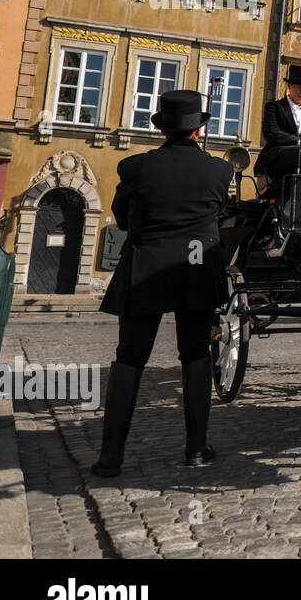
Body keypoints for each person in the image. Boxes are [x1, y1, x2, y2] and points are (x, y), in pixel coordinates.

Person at [93, 90, 234, 476]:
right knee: (195, 354)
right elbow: (219, 212)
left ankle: (110, 456)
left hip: (146, 267)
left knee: (130, 357)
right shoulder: (221, 171)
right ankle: (196, 449)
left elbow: (121, 217)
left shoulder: (135, 168)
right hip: (196, 266)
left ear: (162, 130)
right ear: (199, 130)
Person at [254, 63, 301, 184]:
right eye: (300, 87)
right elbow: (272, 133)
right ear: (289, 86)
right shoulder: (275, 107)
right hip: (279, 158)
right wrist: (299, 142)